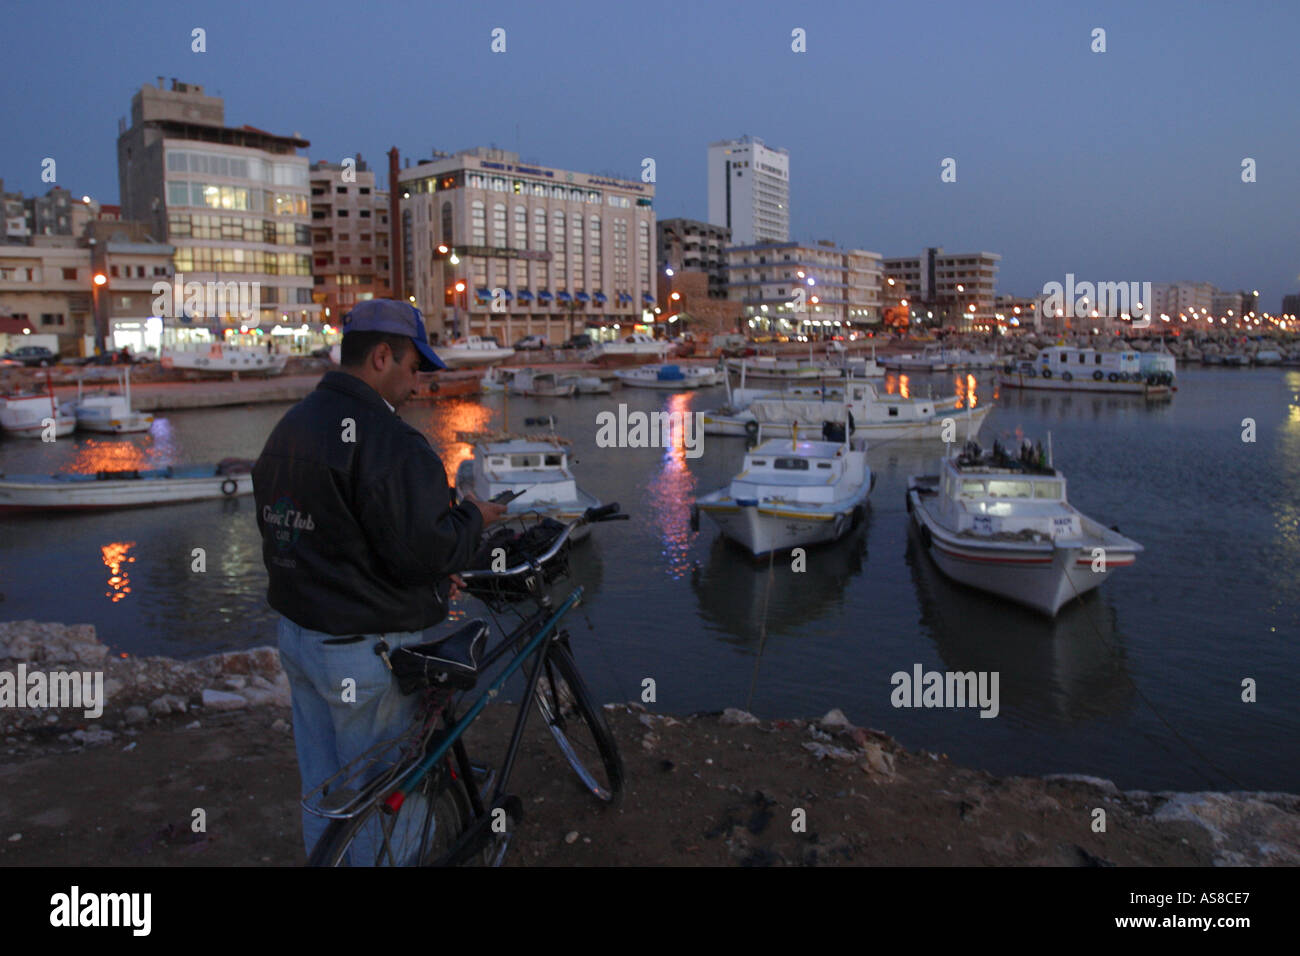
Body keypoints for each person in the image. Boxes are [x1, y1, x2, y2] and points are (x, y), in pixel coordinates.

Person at [252, 298, 507, 862]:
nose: (419, 383)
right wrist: (474, 518)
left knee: (327, 794)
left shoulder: (290, 426)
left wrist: (428, 581)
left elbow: (316, 538)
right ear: (382, 356)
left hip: (301, 639)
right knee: (391, 797)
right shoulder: (389, 440)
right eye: (415, 368)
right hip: (367, 654)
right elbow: (425, 548)